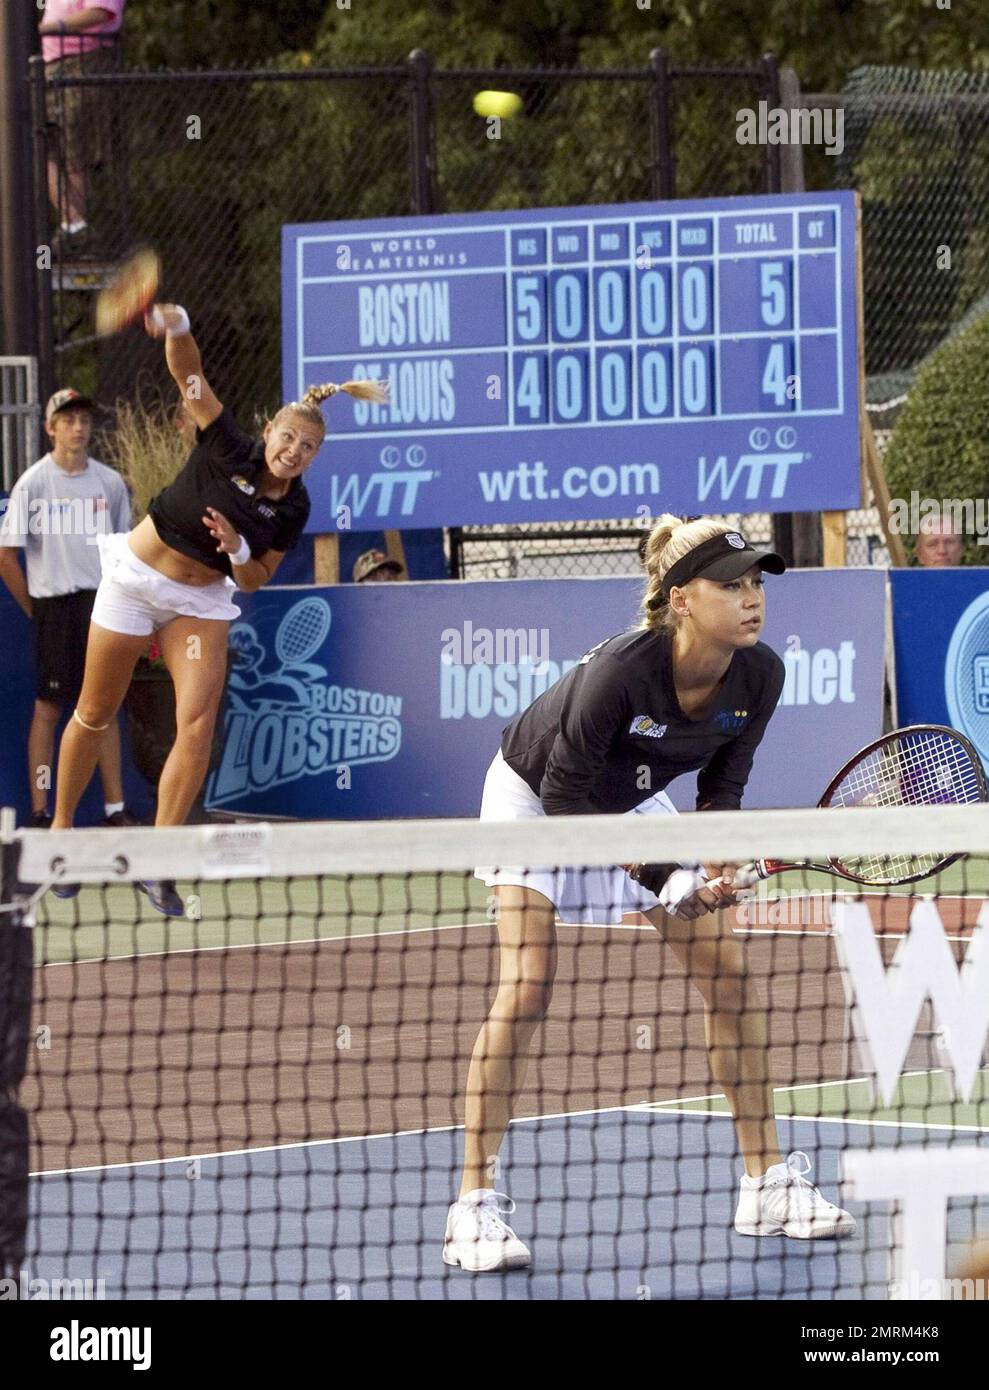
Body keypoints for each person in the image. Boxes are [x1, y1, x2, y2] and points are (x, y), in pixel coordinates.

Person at [443, 516, 856, 1273]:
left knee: (726, 976)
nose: (751, 598)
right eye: (730, 585)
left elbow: (720, 788)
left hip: (631, 799)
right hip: (537, 794)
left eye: (756, 582)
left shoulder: (759, 673)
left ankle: (763, 1182)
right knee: (528, 984)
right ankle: (471, 1204)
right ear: (680, 600)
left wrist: (711, 865)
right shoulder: (620, 674)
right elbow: (568, 803)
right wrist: (663, 876)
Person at [49, 300, 386, 915]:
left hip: (200, 601)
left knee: (198, 726)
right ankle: (61, 836)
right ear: (268, 433)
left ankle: (159, 861)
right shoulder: (224, 440)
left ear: (315, 455)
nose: (294, 450)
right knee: (95, 712)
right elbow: (189, 376)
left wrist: (235, 550)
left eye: (307, 446)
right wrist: (179, 327)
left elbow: (255, 580)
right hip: (134, 578)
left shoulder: (294, 508)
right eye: (288, 436)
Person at [0, 388, 131, 829]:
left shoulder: (110, 484)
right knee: (49, 708)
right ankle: (41, 810)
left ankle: (116, 810)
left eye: (84, 420)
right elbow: (6, 555)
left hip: (101, 606)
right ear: (50, 428)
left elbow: (123, 550)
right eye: (68, 420)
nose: (78, 427)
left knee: (103, 706)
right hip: (52, 608)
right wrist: (37, 609)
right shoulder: (33, 484)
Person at [39, 1, 127, 248]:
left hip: (82, 63)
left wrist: (47, 29)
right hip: (53, 67)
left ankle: (75, 229)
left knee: (74, 153)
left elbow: (100, 13)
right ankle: (74, 227)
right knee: (43, 146)